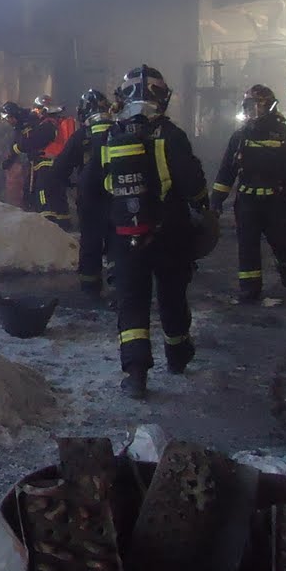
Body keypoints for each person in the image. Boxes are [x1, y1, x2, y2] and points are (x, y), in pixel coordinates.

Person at [84, 65, 211, 399]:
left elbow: (90, 187)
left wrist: (101, 231)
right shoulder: (172, 136)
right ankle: (177, 354)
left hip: (124, 234)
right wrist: (203, 206)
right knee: (171, 296)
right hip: (170, 232)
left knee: (132, 302)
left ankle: (136, 374)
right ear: (163, 97)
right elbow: (192, 184)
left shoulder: (110, 136)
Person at [209, 84, 286, 303]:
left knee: (280, 241)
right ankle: (250, 288)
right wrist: (216, 201)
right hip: (247, 201)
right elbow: (227, 171)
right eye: (248, 107)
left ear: (270, 107)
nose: (251, 112)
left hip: (276, 201)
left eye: (257, 107)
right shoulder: (240, 137)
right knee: (247, 245)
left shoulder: (285, 137)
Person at [58, 89, 116, 295]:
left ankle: (89, 286)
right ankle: (118, 282)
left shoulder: (81, 135)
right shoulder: (120, 130)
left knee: (90, 240)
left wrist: (69, 184)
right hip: (117, 196)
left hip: (90, 198)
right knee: (117, 240)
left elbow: (61, 166)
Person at [3, 96, 74, 229]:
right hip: (56, 167)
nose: (34, 112)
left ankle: (48, 228)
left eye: (37, 109)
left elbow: (29, 142)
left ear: (43, 110)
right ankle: (64, 227)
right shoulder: (55, 123)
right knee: (58, 199)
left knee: (44, 198)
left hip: (46, 167)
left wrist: (16, 148)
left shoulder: (48, 125)